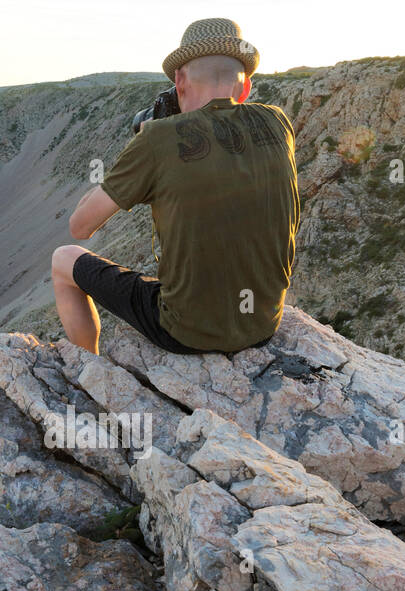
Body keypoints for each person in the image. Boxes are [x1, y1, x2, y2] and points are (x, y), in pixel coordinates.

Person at [51, 18, 300, 356]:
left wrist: (141, 149)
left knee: (63, 259)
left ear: (180, 80)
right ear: (245, 88)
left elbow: (80, 226)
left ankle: (88, 364)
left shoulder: (158, 138)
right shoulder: (278, 122)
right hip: (262, 325)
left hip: (187, 332)